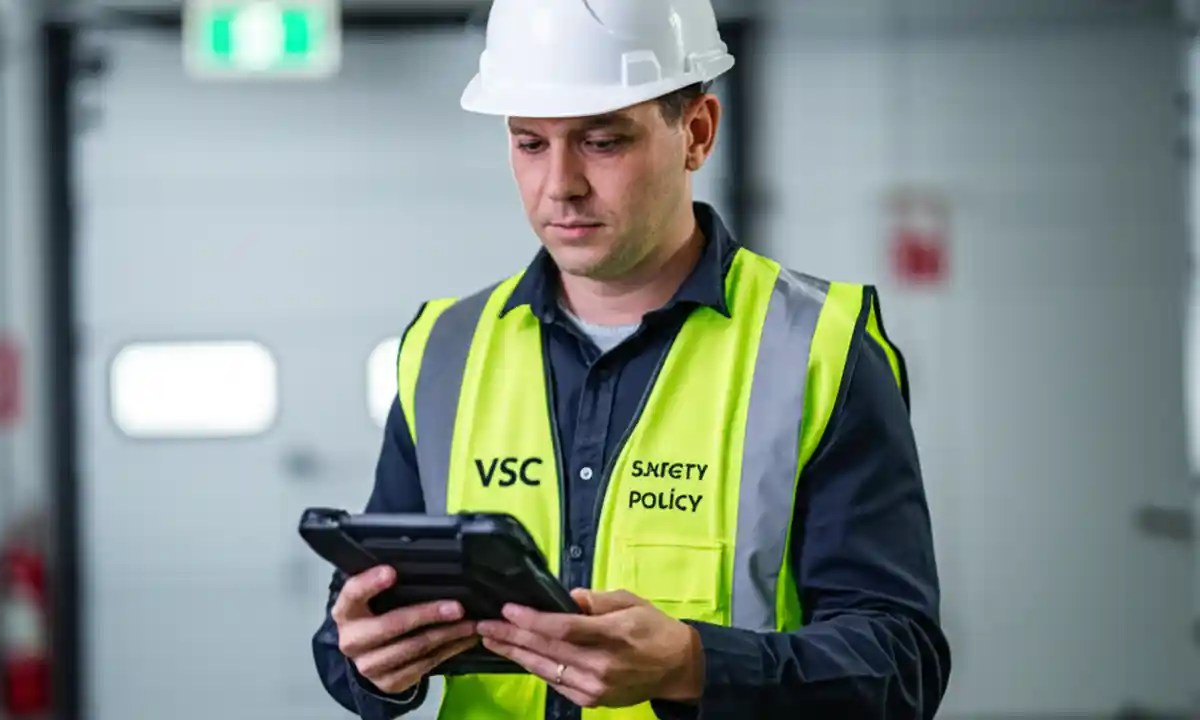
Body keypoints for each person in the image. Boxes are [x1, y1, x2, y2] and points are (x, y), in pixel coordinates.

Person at [311, 0, 951, 717]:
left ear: (697, 133)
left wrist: (695, 665)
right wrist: (370, 663)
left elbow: (899, 666)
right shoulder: (444, 350)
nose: (560, 185)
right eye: (529, 143)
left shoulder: (819, 350)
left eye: (603, 142)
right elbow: (352, 633)